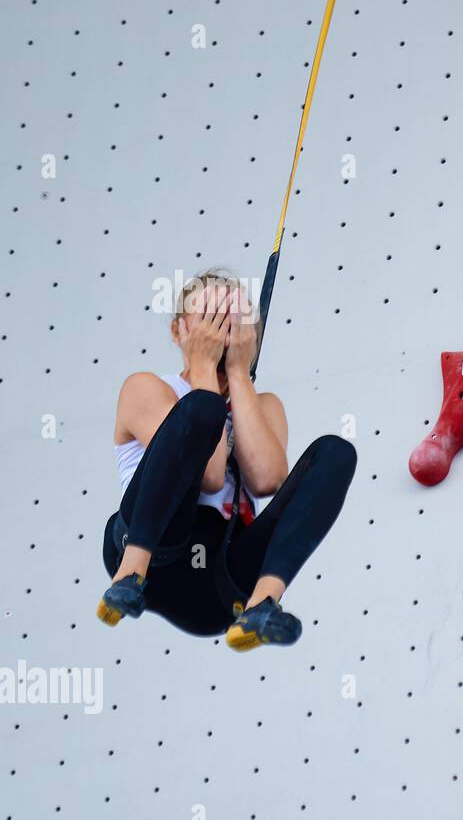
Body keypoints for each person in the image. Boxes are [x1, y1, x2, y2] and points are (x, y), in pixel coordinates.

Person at [97, 269, 356, 651]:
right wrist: (203, 367)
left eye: (231, 323)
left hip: (220, 583)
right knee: (200, 408)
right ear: (178, 331)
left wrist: (238, 372)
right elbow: (210, 475)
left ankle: (263, 603)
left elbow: (268, 479)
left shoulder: (262, 404)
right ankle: (128, 575)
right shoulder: (147, 388)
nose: (220, 333)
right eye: (209, 320)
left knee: (336, 452)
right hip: (160, 550)